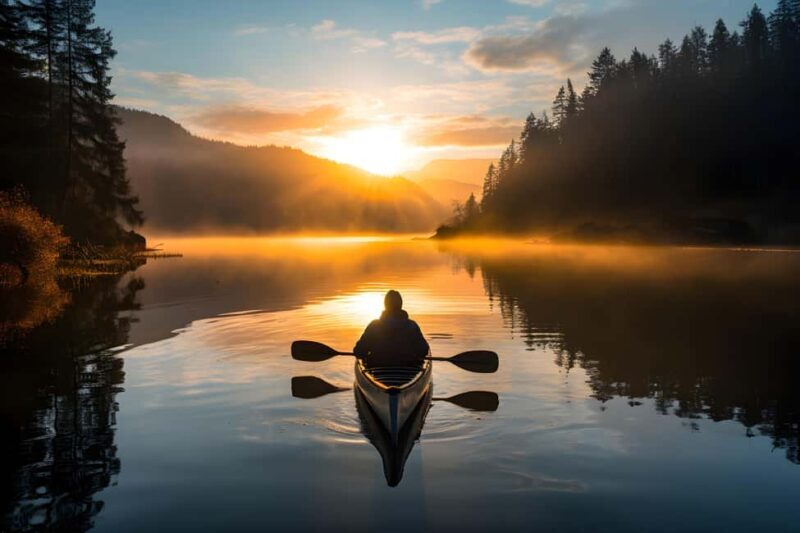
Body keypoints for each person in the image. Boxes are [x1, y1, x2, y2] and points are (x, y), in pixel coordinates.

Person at [353, 290, 429, 367]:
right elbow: (423, 351)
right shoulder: (412, 326)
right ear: (401, 305)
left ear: (385, 305)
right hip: (408, 368)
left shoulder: (374, 326)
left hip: (378, 368)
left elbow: (359, 352)